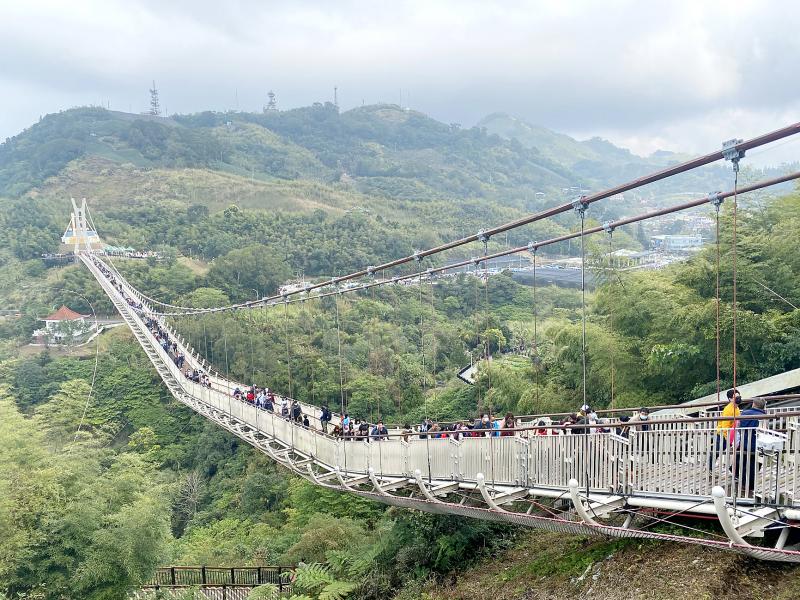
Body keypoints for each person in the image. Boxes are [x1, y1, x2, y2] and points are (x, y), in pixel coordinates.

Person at [737, 398, 766, 491]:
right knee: (754, 464)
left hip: (744, 442)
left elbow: (738, 426)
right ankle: (749, 485)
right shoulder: (763, 416)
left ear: (753, 404)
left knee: (744, 462)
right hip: (756, 444)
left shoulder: (744, 413)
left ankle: (743, 482)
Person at [709, 389, 741, 469]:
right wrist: (728, 439)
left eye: (739, 396)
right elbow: (725, 426)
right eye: (735, 397)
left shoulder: (736, 408)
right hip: (723, 435)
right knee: (716, 451)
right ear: (730, 399)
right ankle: (709, 467)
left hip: (731, 434)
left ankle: (732, 468)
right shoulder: (728, 410)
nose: (738, 398)